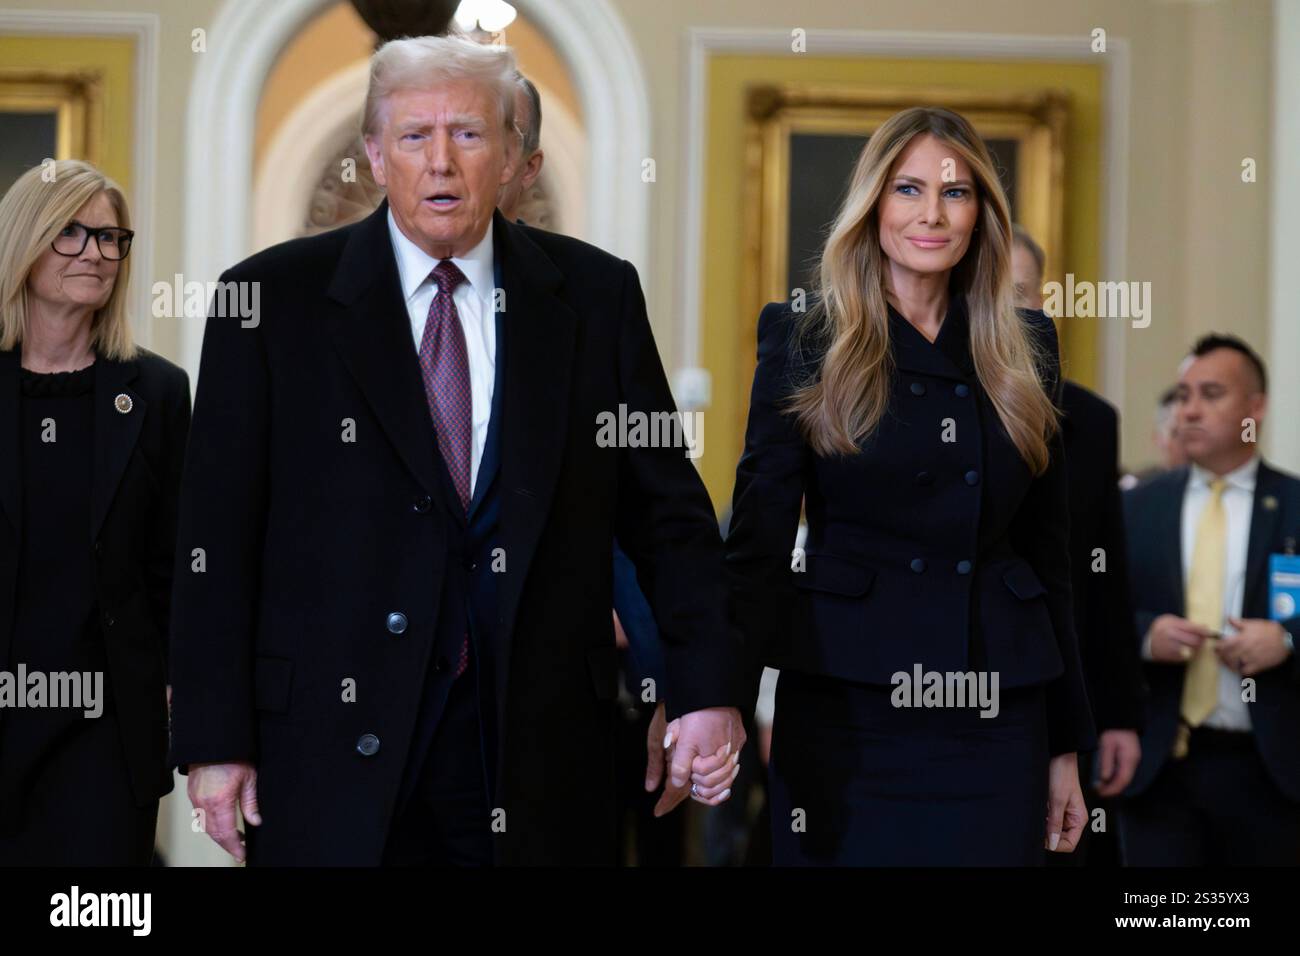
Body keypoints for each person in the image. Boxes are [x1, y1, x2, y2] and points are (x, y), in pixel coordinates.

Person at [169, 34, 745, 867]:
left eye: (470, 135)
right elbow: (215, 540)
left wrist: (702, 691)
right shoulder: (267, 300)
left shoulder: (594, 295)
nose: (442, 161)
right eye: (414, 136)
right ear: (373, 155)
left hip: (536, 754)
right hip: (330, 748)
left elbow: (669, 518)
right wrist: (214, 741)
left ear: (513, 155)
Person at [727, 106, 1094, 866]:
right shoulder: (806, 337)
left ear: (981, 215)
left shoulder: (1028, 346)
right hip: (846, 706)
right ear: (873, 205)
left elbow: (1050, 559)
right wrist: (720, 700)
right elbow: (758, 541)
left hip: (995, 711)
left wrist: (1067, 746)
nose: (932, 213)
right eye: (908, 189)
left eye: (956, 194)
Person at [0, 160, 191, 865]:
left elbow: (175, 560)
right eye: (73, 234)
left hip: (106, 726)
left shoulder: (159, 392)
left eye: (113, 239)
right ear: (26, 241)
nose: (97, 254)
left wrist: (179, 682)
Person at [1119, 334, 1300, 865]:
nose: (1189, 410)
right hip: (1160, 768)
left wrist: (1287, 639)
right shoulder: (1137, 509)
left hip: (1270, 770)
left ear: (1256, 408)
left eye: (1211, 394)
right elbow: (1091, 618)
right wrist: (1148, 636)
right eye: (1182, 395)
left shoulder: (1293, 506)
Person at [1011, 225, 1145, 865]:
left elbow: (1104, 573)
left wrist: (1118, 714)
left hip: (1069, 688)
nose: (1008, 312)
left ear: (1042, 304)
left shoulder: (1090, 421)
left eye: (1021, 295)